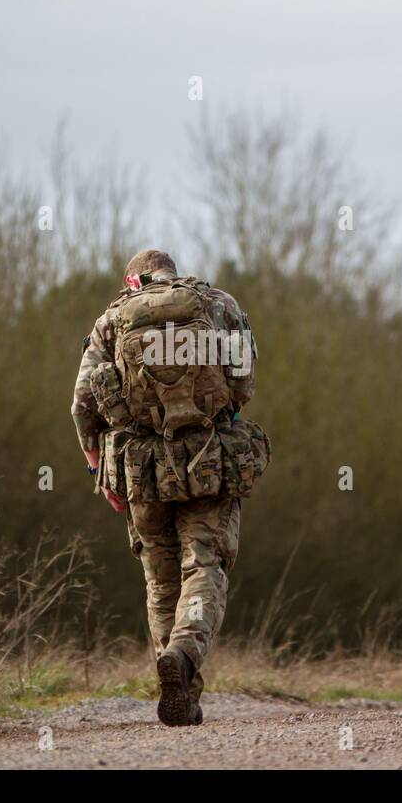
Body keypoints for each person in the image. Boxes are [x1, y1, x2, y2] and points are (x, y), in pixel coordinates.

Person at [71, 249, 269, 726]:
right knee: (205, 565)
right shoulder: (220, 305)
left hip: (141, 471)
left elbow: (82, 405)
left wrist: (100, 470)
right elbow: (243, 386)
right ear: (171, 273)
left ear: (132, 279)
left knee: (161, 581)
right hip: (209, 464)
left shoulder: (112, 319)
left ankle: (180, 685)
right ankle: (184, 653)